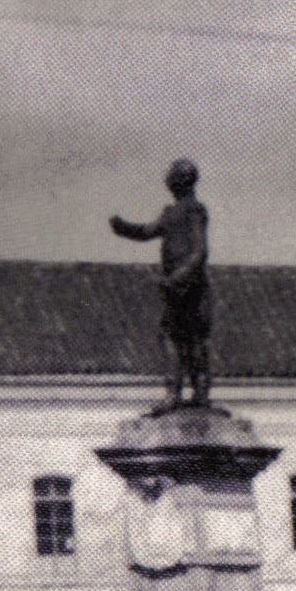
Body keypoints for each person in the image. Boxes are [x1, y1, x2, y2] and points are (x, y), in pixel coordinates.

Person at [110, 158, 212, 408]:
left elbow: (200, 251)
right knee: (173, 337)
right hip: (175, 289)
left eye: (171, 177)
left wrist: (179, 276)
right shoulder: (170, 214)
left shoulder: (194, 211)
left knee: (191, 339)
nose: (168, 181)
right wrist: (123, 228)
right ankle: (175, 392)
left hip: (191, 287)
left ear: (179, 181)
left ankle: (196, 392)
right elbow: (146, 231)